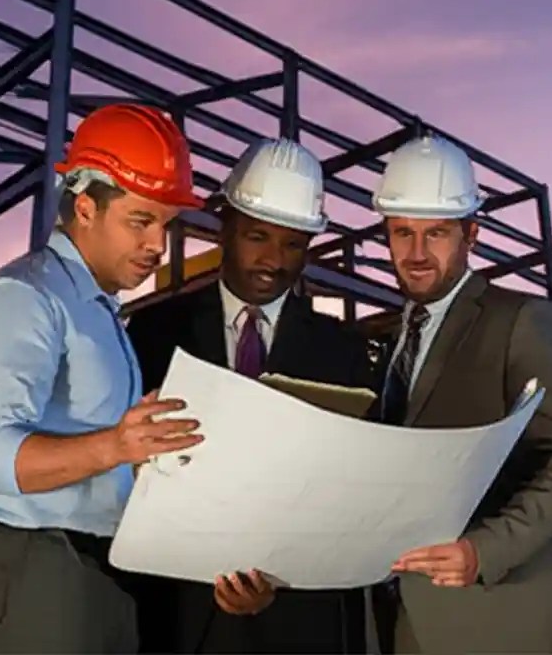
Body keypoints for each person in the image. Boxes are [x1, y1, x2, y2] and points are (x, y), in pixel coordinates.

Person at [0, 103, 207, 654]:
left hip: (93, 572)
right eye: (141, 221)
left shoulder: (100, 311)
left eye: (166, 224)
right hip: (31, 565)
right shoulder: (24, 296)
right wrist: (116, 445)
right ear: (84, 208)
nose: (159, 244)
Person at [369, 134, 552, 654]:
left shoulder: (522, 321)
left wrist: (482, 552)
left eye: (436, 233)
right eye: (402, 233)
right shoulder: (394, 345)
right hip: (413, 625)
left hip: (514, 622)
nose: (416, 254)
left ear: (472, 235)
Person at [125, 137, 376, 654]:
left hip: (297, 620)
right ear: (226, 227)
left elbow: (349, 496)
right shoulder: (153, 334)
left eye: (293, 245)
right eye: (258, 237)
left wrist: (281, 574)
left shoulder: (344, 355)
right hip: (178, 616)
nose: (273, 261)